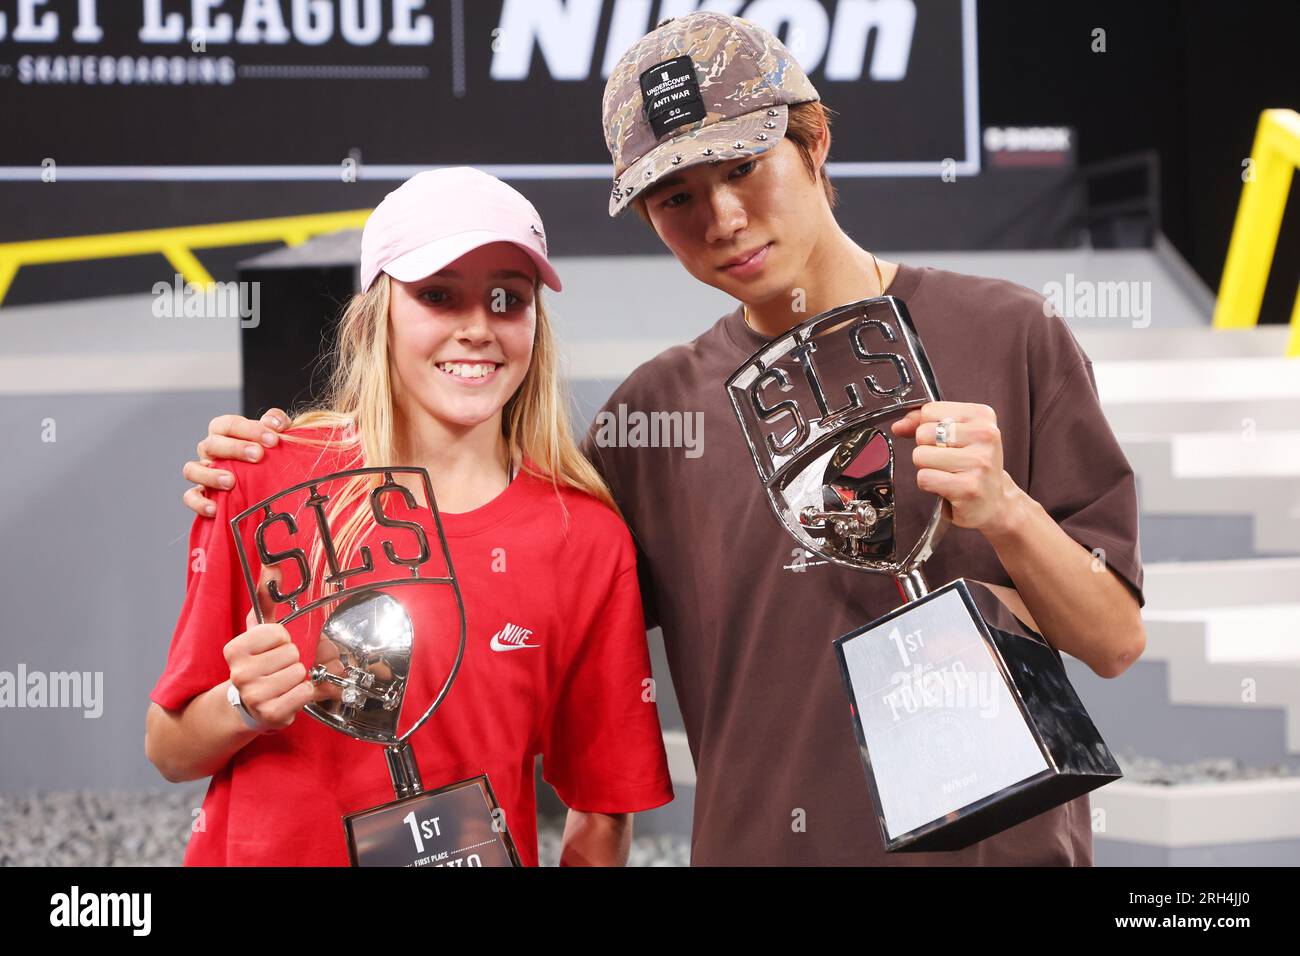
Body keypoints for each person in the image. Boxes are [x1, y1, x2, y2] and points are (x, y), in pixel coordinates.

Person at [180, 14, 1145, 866]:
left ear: (814, 145)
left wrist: (1008, 510)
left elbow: (1113, 640)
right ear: (647, 213)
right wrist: (305, 452)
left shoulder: (1009, 332)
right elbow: (496, 558)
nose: (722, 219)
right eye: (677, 195)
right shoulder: (653, 418)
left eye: (743, 169)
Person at [147, 167, 673, 867]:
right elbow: (170, 748)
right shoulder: (260, 479)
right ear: (377, 315)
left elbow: (601, 810)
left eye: (506, 300)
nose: (477, 329)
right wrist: (242, 706)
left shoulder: (585, 538)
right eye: (438, 296)